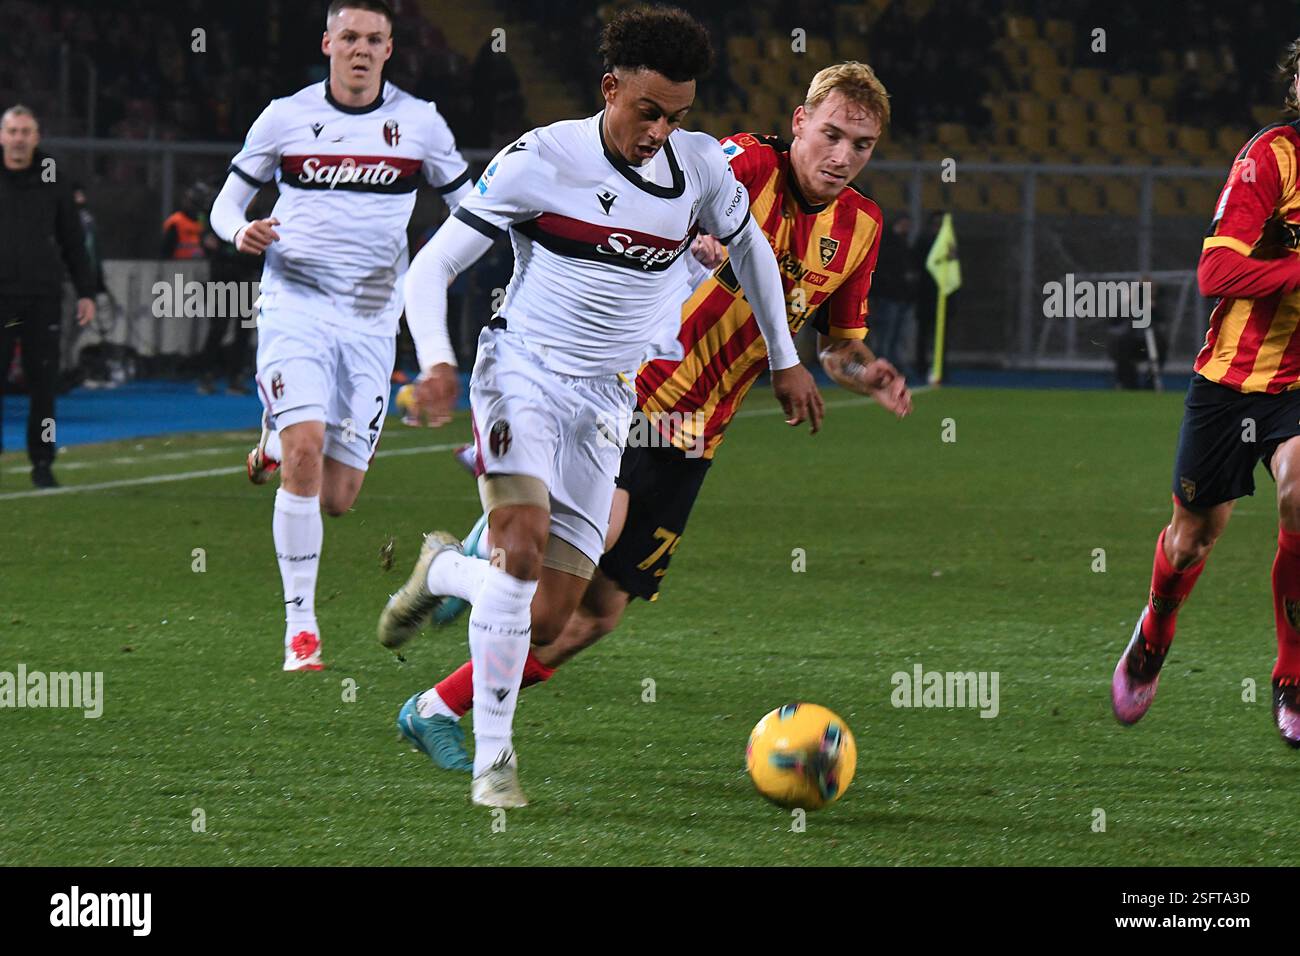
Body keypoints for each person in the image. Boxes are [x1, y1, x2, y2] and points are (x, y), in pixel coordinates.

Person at [394, 61, 912, 775]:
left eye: (861, 146)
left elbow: (837, 346)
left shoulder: (861, 227)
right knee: (577, 548)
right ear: (800, 123)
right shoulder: (736, 163)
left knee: (595, 617)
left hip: (700, 434)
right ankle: (481, 550)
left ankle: (434, 705)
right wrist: (692, 241)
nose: (843, 156)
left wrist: (867, 371)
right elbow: (655, 196)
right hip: (635, 390)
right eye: (831, 135)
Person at [207, 0, 472, 671]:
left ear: (390, 49)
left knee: (337, 497)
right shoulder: (286, 117)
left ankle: (276, 437)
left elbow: (472, 209)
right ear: (328, 42)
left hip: (373, 321)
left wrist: (440, 265)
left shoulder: (419, 125)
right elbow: (226, 204)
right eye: (348, 36)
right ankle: (302, 630)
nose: (360, 48)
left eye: (373, 39)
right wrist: (241, 231)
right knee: (307, 446)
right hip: (295, 303)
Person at [1111, 36, 1300, 746]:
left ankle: (1292, 674)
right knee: (1192, 541)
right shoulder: (1270, 157)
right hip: (1229, 380)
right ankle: (1156, 630)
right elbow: (1217, 274)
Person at [0, 104, 96, 489]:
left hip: (42, 297)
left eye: (26, 131)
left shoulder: (54, 175)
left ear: (36, 137)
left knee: (44, 385)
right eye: (13, 131)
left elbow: (73, 240)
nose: (19, 138)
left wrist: (86, 291)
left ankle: (42, 464)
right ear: (2, 136)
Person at [867, 213, 917, 368]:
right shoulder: (887, 243)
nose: (907, 228)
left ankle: (891, 363)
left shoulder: (902, 243)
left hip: (900, 296)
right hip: (888, 296)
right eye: (905, 224)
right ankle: (881, 363)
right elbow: (882, 269)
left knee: (895, 333)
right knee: (886, 332)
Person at [161, 185, 208, 260]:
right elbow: (165, 250)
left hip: (199, 266)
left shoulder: (202, 221)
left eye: (194, 203)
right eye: (189, 201)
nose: (191, 205)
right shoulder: (176, 222)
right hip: (179, 266)